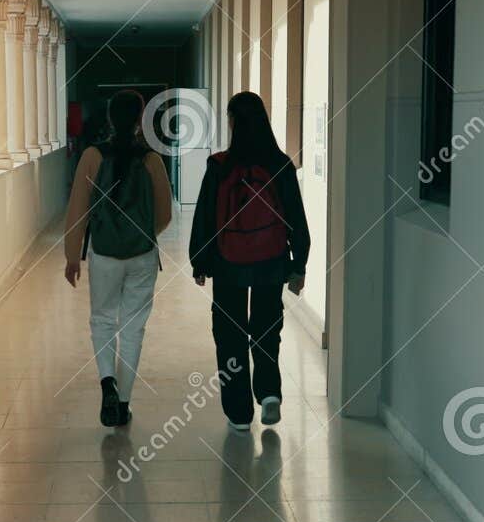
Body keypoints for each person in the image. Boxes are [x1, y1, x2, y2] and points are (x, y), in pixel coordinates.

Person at [188, 91, 310, 431]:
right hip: (271, 263)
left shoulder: (219, 165)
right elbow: (296, 219)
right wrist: (298, 264)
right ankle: (269, 393)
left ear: (232, 122)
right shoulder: (280, 164)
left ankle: (239, 414)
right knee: (267, 330)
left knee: (230, 334)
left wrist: (200, 261)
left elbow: (205, 217)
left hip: (229, 265)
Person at [62, 89, 172, 427]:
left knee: (103, 320)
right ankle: (123, 404)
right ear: (140, 120)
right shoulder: (151, 159)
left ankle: (107, 382)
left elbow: (78, 210)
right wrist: (142, 233)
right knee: (133, 327)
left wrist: (72, 256)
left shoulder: (93, 156)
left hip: (104, 253)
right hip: (141, 254)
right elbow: (165, 213)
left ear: (110, 118)